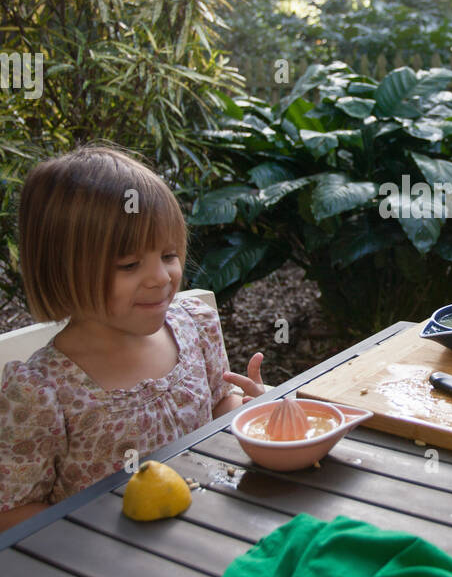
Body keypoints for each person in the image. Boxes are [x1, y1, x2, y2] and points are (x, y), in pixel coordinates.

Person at [0, 144, 268, 531]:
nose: (161, 277)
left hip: (210, 533)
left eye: (169, 255)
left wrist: (247, 414)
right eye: (129, 264)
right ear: (62, 269)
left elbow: (217, 408)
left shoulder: (196, 327)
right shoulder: (41, 393)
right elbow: (12, 511)